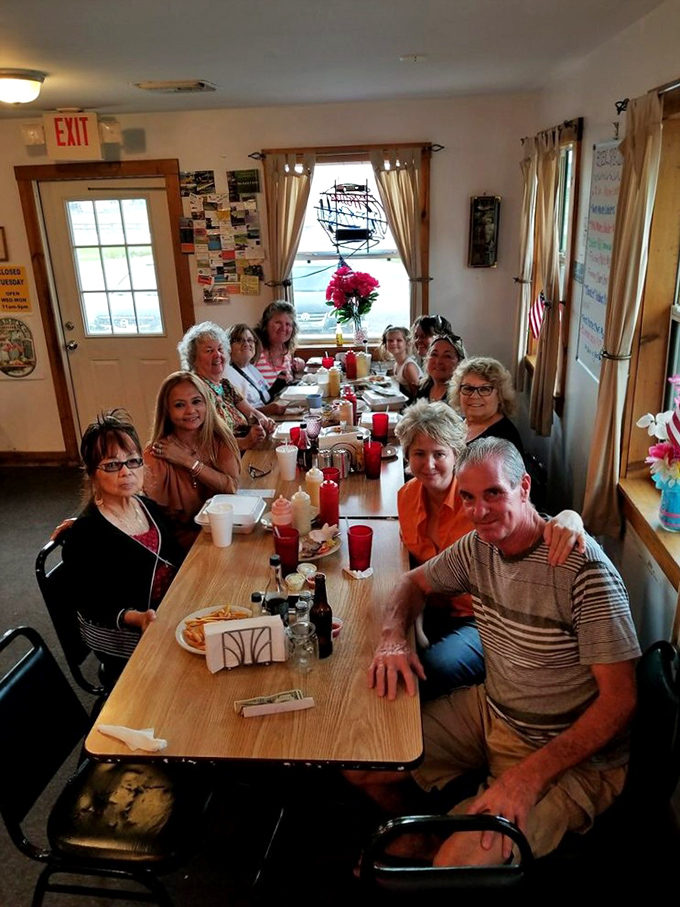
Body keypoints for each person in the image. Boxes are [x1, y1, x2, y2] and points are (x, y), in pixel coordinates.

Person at [364, 438, 640, 865]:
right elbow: (412, 582)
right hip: (495, 710)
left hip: (571, 755)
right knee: (365, 763)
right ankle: (426, 837)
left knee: (455, 866)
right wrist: (392, 637)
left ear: (524, 487)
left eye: (494, 493)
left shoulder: (584, 571)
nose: (478, 511)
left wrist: (528, 779)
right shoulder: (479, 548)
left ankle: (441, 848)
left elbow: (621, 701)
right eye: (469, 497)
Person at [395, 401, 585, 698]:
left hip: (483, 617)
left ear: (457, 455)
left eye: (439, 454)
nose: (429, 464)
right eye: (419, 453)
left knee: (427, 671)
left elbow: (532, 518)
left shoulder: (478, 500)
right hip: (433, 608)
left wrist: (571, 517)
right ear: (407, 455)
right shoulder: (406, 497)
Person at [61, 409, 184, 683]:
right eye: (112, 465)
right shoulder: (85, 534)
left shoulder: (147, 507)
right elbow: (91, 603)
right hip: (128, 634)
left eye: (133, 461)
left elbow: (174, 555)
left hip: (170, 612)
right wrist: (137, 617)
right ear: (92, 473)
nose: (126, 471)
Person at [143, 371, 241, 549]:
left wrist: (187, 461)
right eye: (180, 405)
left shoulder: (220, 438)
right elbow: (156, 521)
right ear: (167, 411)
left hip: (223, 530)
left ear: (206, 403)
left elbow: (231, 487)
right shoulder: (156, 453)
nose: (190, 411)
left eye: (196, 402)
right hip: (180, 544)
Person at [178, 321, 274, 451]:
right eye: (209, 350)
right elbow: (204, 441)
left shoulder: (225, 384)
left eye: (220, 349)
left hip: (242, 451)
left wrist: (264, 422)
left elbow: (251, 412)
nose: (217, 355)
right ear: (193, 358)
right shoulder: (195, 391)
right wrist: (245, 442)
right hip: (221, 459)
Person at [449, 356, 524, 456]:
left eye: (484, 389)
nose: (474, 396)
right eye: (468, 388)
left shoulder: (503, 440)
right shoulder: (459, 423)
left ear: (500, 395)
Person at [224, 323, 288, 415]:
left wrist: (278, 385)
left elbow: (264, 396)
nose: (246, 344)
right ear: (228, 346)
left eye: (250, 340)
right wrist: (267, 410)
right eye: (239, 340)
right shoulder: (227, 375)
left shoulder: (250, 368)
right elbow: (236, 414)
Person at [253, 300, 305, 387]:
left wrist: (299, 365)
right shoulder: (255, 352)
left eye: (288, 324)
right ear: (265, 325)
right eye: (278, 323)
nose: (283, 328)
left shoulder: (286, 351)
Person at [414, 334, 467, 404]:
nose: (438, 361)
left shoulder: (461, 395)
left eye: (447, 356)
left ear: (460, 362)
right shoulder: (423, 388)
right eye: (434, 354)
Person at [380, 325, 422, 399]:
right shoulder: (396, 365)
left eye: (399, 340)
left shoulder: (409, 367)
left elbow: (417, 396)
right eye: (390, 340)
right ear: (385, 344)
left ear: (407, 344)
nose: (393, 343)